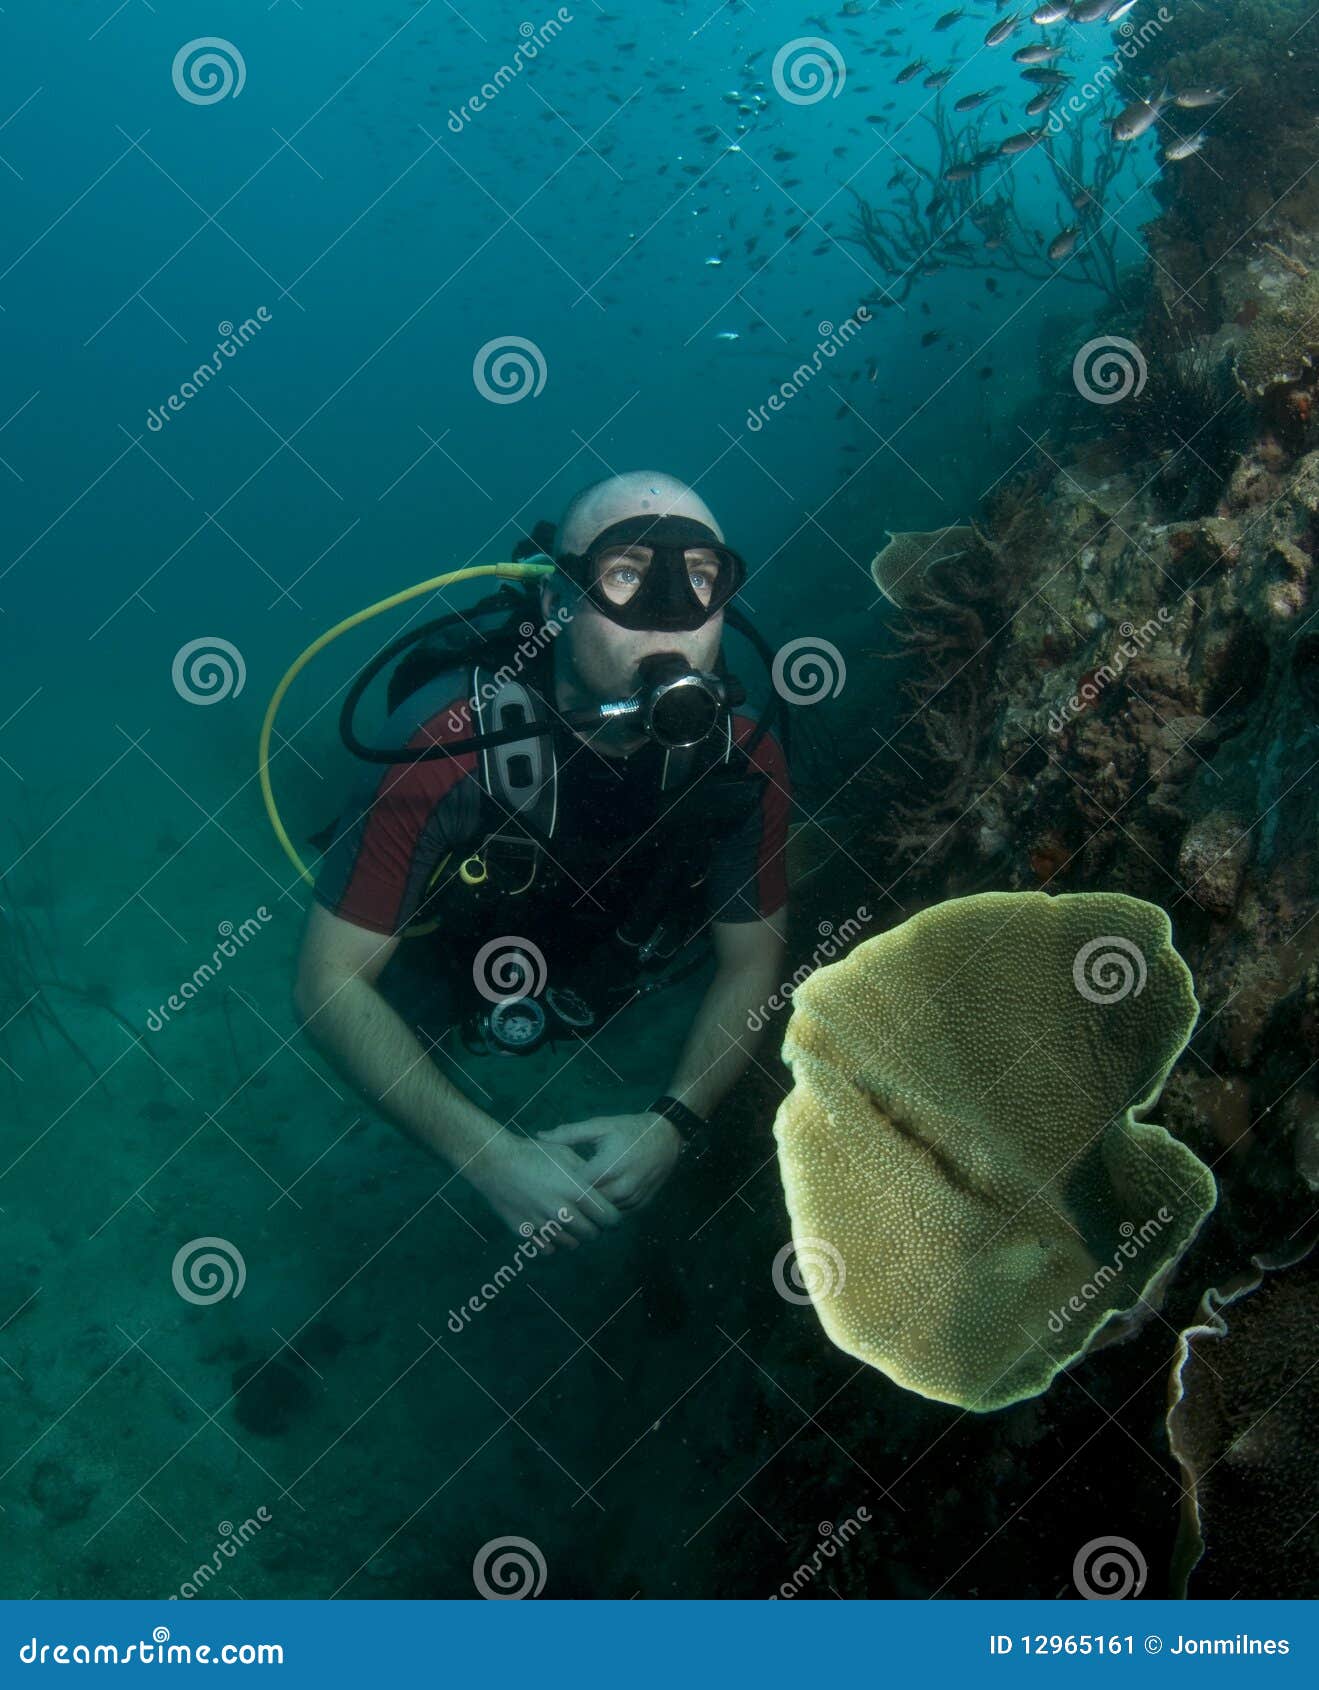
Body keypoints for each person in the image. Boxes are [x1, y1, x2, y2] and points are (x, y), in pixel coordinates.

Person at [293, 471, 789, 1249]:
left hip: (611, 976)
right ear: (557, 603)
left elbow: (752, 961)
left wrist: (674, 1121)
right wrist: (487, 1158)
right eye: (625, 575)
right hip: (454, 985)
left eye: (699, 578)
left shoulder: (744, 756)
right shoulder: (445, 745)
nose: (670, 616)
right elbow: (328, 986)